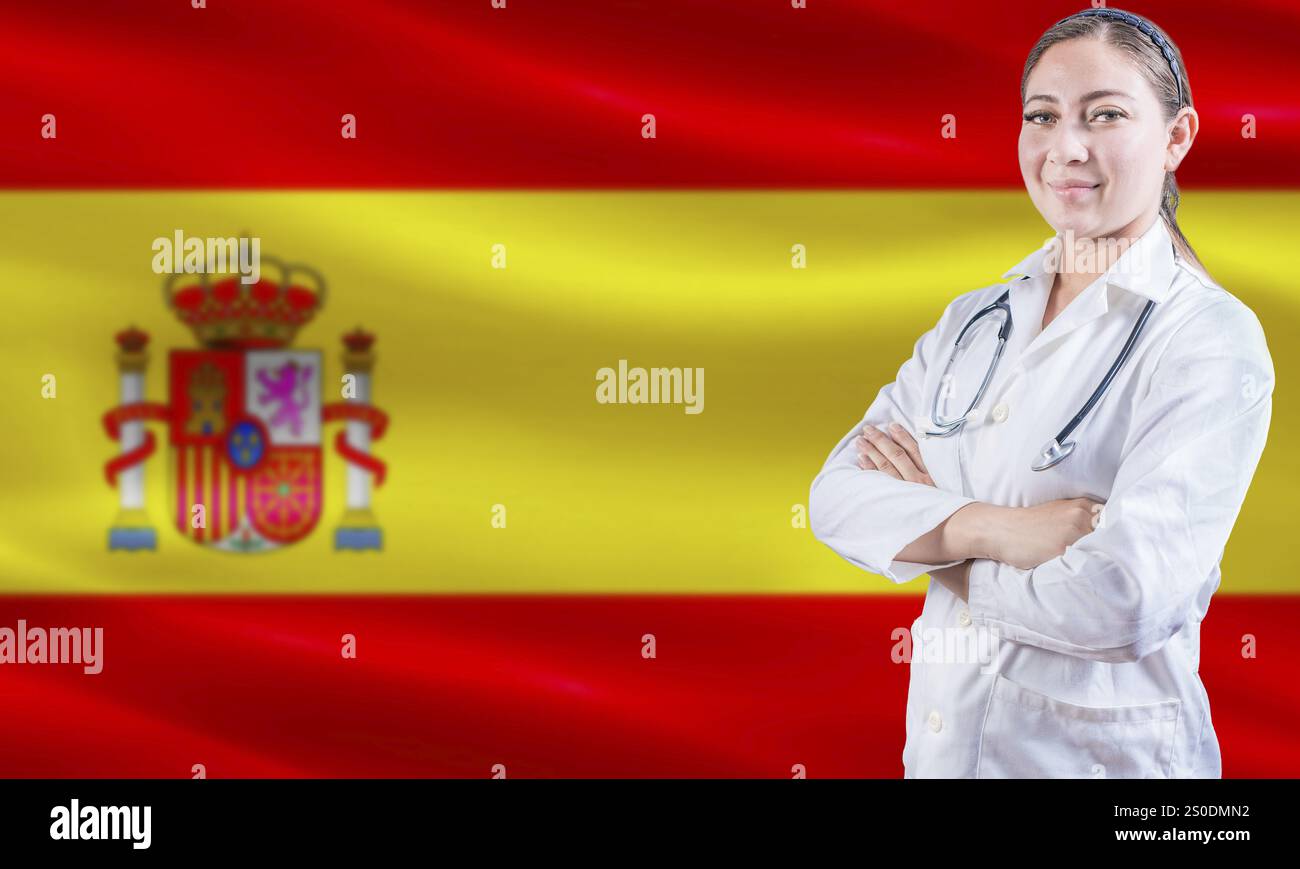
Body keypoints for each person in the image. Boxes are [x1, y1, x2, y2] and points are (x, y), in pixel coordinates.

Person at [808, 8, 1274, 778]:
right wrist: (1000, 530)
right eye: (1043, 116)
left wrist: (941, 553)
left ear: (1177, 136)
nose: (1067, 148)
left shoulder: (1207, 339)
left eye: (1107, 115)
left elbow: (1123, 599)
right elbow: (835, 496)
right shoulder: (977, 319)